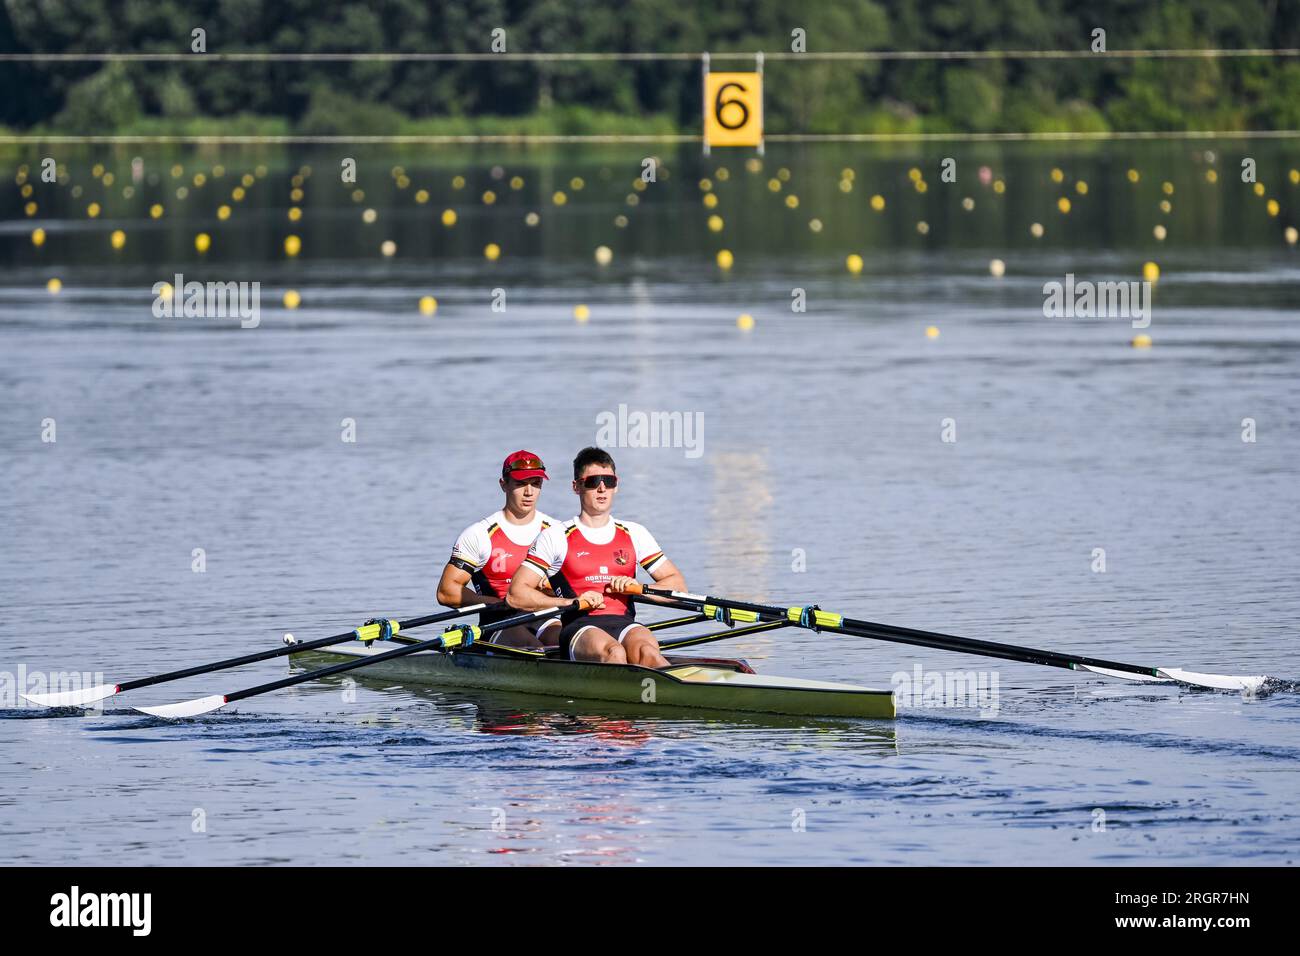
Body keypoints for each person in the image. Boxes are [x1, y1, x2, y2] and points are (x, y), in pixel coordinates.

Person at [507, 447, 685, 666]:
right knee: (614, 653)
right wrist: (571, 602)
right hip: (580, 627)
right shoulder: (556, 536)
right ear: (576, 486)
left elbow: (678, 588)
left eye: (608, 481)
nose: (602, 488)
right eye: (593, 481)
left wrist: (638, 589)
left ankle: (680, 694)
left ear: (616, 486)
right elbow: (516, 594)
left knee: (649, 653)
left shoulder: (635, 533)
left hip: (624, 622)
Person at [436, 450, 559, 649]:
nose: (529, 492)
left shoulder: (556, 531)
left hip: (545, 618)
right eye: (520, 484)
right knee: (532, 648)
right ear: (503, 485)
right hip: (499, 621)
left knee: (562, 640)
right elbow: (446, 592)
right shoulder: (479, 534)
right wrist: (496, 602)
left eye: (536, 484)